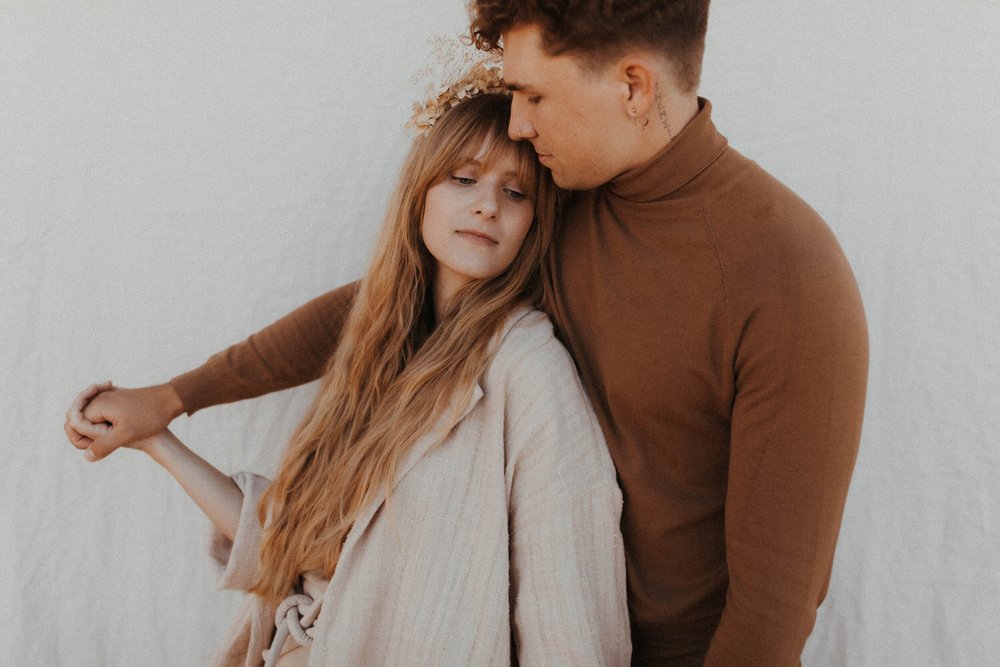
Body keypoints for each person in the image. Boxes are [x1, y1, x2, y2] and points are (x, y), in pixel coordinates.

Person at [68, 1, 870, 664]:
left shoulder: (788, 275)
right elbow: (384, 301)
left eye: (534, 94)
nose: (517, 123)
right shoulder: (561, 204)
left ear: (632, 85)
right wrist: (177, 397)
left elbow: (773, 611)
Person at [71, 86, 631, 666]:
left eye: (515, 193)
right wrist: (156, 439)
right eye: (463, 179)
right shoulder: (380, 354)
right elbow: (289, 552)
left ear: (532, 226)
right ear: (420, 195)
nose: (488, 205)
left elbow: (570, 615)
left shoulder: (529, 372)